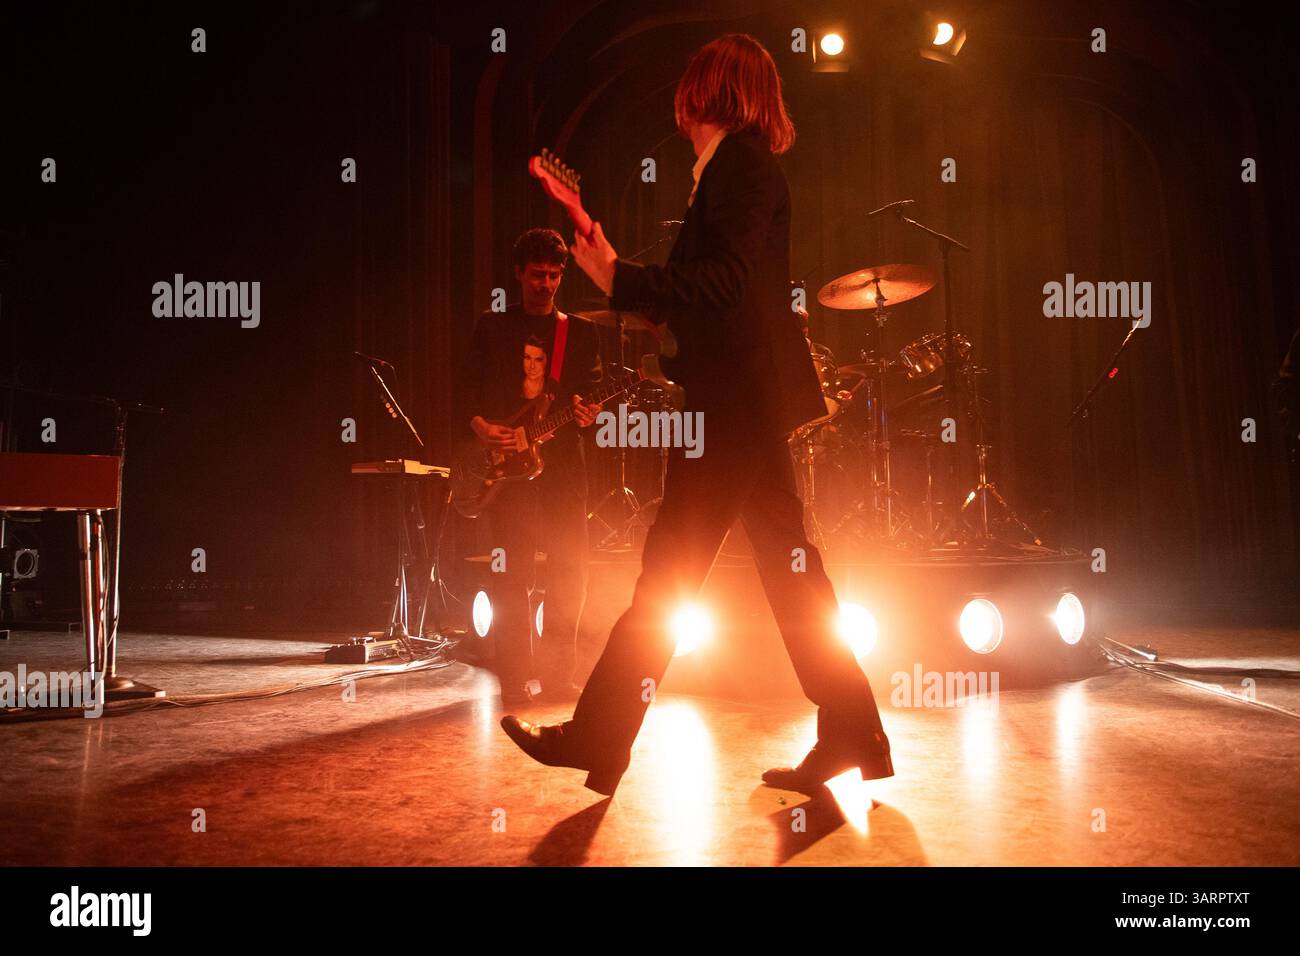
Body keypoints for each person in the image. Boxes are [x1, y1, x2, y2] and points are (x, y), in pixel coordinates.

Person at [500, 34, 894, 795]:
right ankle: (854, 731)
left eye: (689, 81)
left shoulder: (740, 165)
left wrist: (622, 276)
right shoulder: (721, 173)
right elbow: (702, 300)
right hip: (743, 395)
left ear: (708, 90)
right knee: (791, 572)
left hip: (735, 402)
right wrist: (615, 275)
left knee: (670, 572)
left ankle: (598, 736)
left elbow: (722, 284)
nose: (678, 95)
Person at [464, 228, 602, 705]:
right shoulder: (492, 327)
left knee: (570, 575)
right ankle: (515, 677)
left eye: (554, 275)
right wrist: (481, 426)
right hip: (507, 470)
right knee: (512, 575)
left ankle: (560, 677)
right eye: (538, 274)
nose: (546, 284)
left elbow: (587, 404)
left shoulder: (579, 333)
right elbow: (466, 393)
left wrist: (588, 416)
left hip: (564, 471)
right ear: (519, 273)